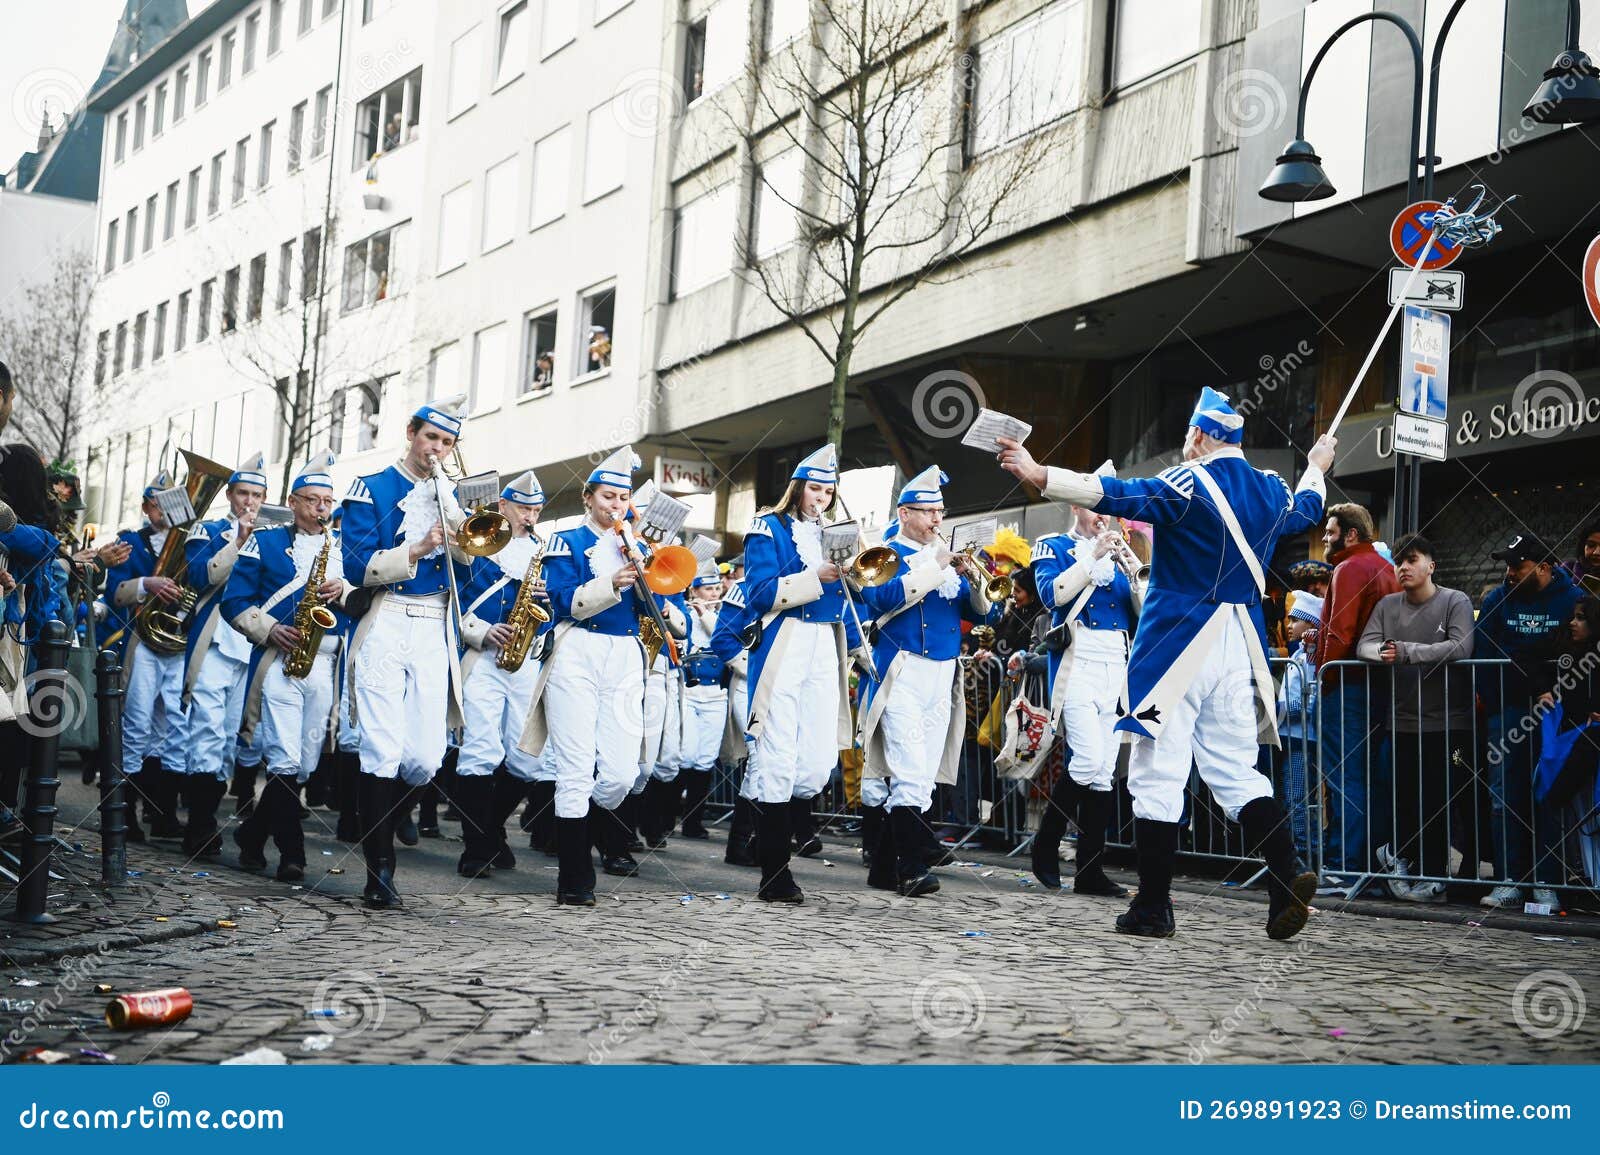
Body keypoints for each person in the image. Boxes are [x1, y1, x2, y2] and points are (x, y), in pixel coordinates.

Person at [997, 387, 1335, 941]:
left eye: (1186, 437)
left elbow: (1119, 495)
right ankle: (1286, 873)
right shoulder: (1273, 490)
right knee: (1236, 771)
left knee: (1158, 770)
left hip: (1178, 649)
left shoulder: (1188, 480)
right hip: (1239, 645)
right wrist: (1317, 467)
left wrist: (1039, 473)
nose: (1184, 446)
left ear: (1201, 436)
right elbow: (1307, 509)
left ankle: (1154, 906)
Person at [340, 399, 475, 910]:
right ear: (411, 434)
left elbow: (472, 566)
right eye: (430, 439)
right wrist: (415, 550)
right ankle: (380, 871)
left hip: (435, 625)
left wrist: (458, 525)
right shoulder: (370, 488)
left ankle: (377, 829)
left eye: (446, 444)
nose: (436, 450)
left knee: (425, 758)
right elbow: (355, 564)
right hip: (387, 617)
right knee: (381, 747)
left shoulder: (450, 495)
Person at [518, 447, 653, 904]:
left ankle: (587, 833)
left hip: (625, 655)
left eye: (623, 498)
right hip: (575, 649)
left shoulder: (639, 546)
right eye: (608, 497)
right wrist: (608, 585)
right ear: (589, 498)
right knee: (574, 768)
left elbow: (656, 608)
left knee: (620, 772)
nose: (616, 506)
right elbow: (554, 602)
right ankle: (574, 879)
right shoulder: (564, 541)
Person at [855, 466, 998, 897]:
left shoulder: (948, 555)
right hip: (901, 668)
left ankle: (882, 868)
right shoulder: (885, 552)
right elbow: (879, 598)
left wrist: (976, 583)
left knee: (924, 770)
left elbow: (984, 614)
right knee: (910, 770)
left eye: (940, 511)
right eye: (928, 511)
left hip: (943, 670)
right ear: (904, 512)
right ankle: (911, 867)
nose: (937, 520)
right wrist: (934, 567)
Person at [738, 443, 862, 903]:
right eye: (815, 489)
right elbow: (760, 594)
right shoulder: (767, 527)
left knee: (813, 766)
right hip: (784, 642)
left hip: (825, 645)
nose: (822, 499)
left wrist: (853, 579)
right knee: (775, 758)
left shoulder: (839, 533)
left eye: (828, 491)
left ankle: (760, 836)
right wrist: (818, 578)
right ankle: (775, 873)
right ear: (798, 488)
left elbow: (859, 602)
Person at [223, 452, 351, 881]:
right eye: (312, 500)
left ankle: (253, 834)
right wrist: (269, 628)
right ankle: (292, 853)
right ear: (293, 502)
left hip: (325, 663)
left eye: (327, 501)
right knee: (283, 757)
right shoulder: (266, 541)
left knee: (307, 761)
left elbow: (365, 601)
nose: (321, 509)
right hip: (281, 660)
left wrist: (347, 590)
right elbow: (235, 601)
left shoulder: (344, 548)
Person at [1027, 473, 1143, 897]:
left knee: (1103, 772)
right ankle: (1046, 842)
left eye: (1109, 509)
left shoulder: (1123, 556)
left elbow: (1145, 613)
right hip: (1077, 662)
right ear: (1076, 506)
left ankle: (1091, 870)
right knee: (1087, 758)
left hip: (1116, 662)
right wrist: (1092, 555)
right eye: (1096, 507)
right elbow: (1051, 596)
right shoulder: (1052, 546)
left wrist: (1134, 573)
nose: (1104, 517)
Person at [1356, 534, 1475, 903]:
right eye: (1399, 561)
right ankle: (1405, 860)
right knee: (1407, 798)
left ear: (1431, 566)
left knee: (1442, 799)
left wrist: (1406, 652)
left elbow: (1461, 646)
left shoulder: (1455, 600)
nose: (1403, 567)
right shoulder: (1388, 605)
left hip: (1450, 720)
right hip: (1402, 720)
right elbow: (1364, 646)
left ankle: (1436, 875)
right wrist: (1385, 652)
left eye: (1412, 559)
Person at [1474, 532, 1582, 910]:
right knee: (1504, 796)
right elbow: (1487, 652)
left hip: (1555, 713)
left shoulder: (1572, 600)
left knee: (1546, 795)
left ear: (1544, 567)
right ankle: (1509, 880)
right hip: (1507, 711)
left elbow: (1570, 649)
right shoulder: (1495, 600)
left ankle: (1547, 882)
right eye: (1507, 565)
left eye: (1517, 565)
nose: (1509, 572)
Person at [453, 470, 551, 878]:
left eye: (535, 509)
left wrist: (552, 598)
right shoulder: (480, 543)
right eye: (522, 508)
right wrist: (480, 630)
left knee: (528, 759)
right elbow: (453, 601)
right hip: (484, 660)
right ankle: (475, 848)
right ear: (503, 506)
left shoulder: (546, 550)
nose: (529, 515)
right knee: (480, 750)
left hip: (527, 659)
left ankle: (491, 828)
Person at [176, 452, 267, 861]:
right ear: (229, 495)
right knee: (206, 729)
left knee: (231, 733)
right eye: (242, 493)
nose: (249, 501)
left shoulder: (272, 537)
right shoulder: (207, 530)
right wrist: (239, 542)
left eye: (256, 495)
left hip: (247, 643)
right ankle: (199, 824)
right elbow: (203, 576)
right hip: (214, 642)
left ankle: (208, 815)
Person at [100, 469, 191, 841]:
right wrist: (146, 585)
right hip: (140, 641)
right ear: (145, 507)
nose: (164, 513)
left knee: (171, 728)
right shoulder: (129, 541)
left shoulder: (190, 541)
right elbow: (113, 594)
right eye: (157, 505)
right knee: (135, 725)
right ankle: (125, 814)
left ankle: (162, 810)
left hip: (176, 642)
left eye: (172, 506)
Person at [1317, 502, 1399, 877]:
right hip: (1377, 684)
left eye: (1331, 532)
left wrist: (1325, 674)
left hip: (1348, 685)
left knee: (1345, 776)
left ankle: (1343, 863)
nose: (1325, 539)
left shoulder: (1349, 568)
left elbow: (1340, 631)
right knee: (1367, 777)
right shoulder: (1385, 568)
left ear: (1351, 535)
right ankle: (1364, 862)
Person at [668, 568, 727, 840]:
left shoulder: (723, 615)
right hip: (690, 692)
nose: (713, 593)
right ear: (695, 591)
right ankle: (667, 816)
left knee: (705, 760)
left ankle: (693, 822)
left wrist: (707, 613)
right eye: (707, 589)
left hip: (717, 694)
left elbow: (723, 640)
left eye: (716, 589)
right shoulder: (686, 617)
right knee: (686, 754)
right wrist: (696, 613)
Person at [1276, 592, 1321, 864]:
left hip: (1302, 738)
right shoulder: (1299, 654)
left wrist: (1275, 708)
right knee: (1290, 795)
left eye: (1296, 620)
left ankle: (1305, 851)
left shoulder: (1312, 658)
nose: (1289, 625)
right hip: (1290, 736)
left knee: (1297, 797)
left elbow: (1307, 700)